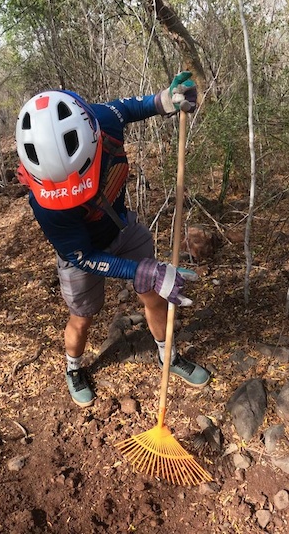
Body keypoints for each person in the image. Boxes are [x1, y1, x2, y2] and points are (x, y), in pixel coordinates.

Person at [15, 72, 211, 408]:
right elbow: (83, 256)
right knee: (82, 317)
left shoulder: (103, 120)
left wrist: (167, 100)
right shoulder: (45, 204)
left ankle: (168, 356)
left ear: (94, 139)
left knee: (155, 294)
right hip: (84, 252)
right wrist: (139, 270)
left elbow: (135, 107)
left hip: (122, 229)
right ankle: (74, 369)